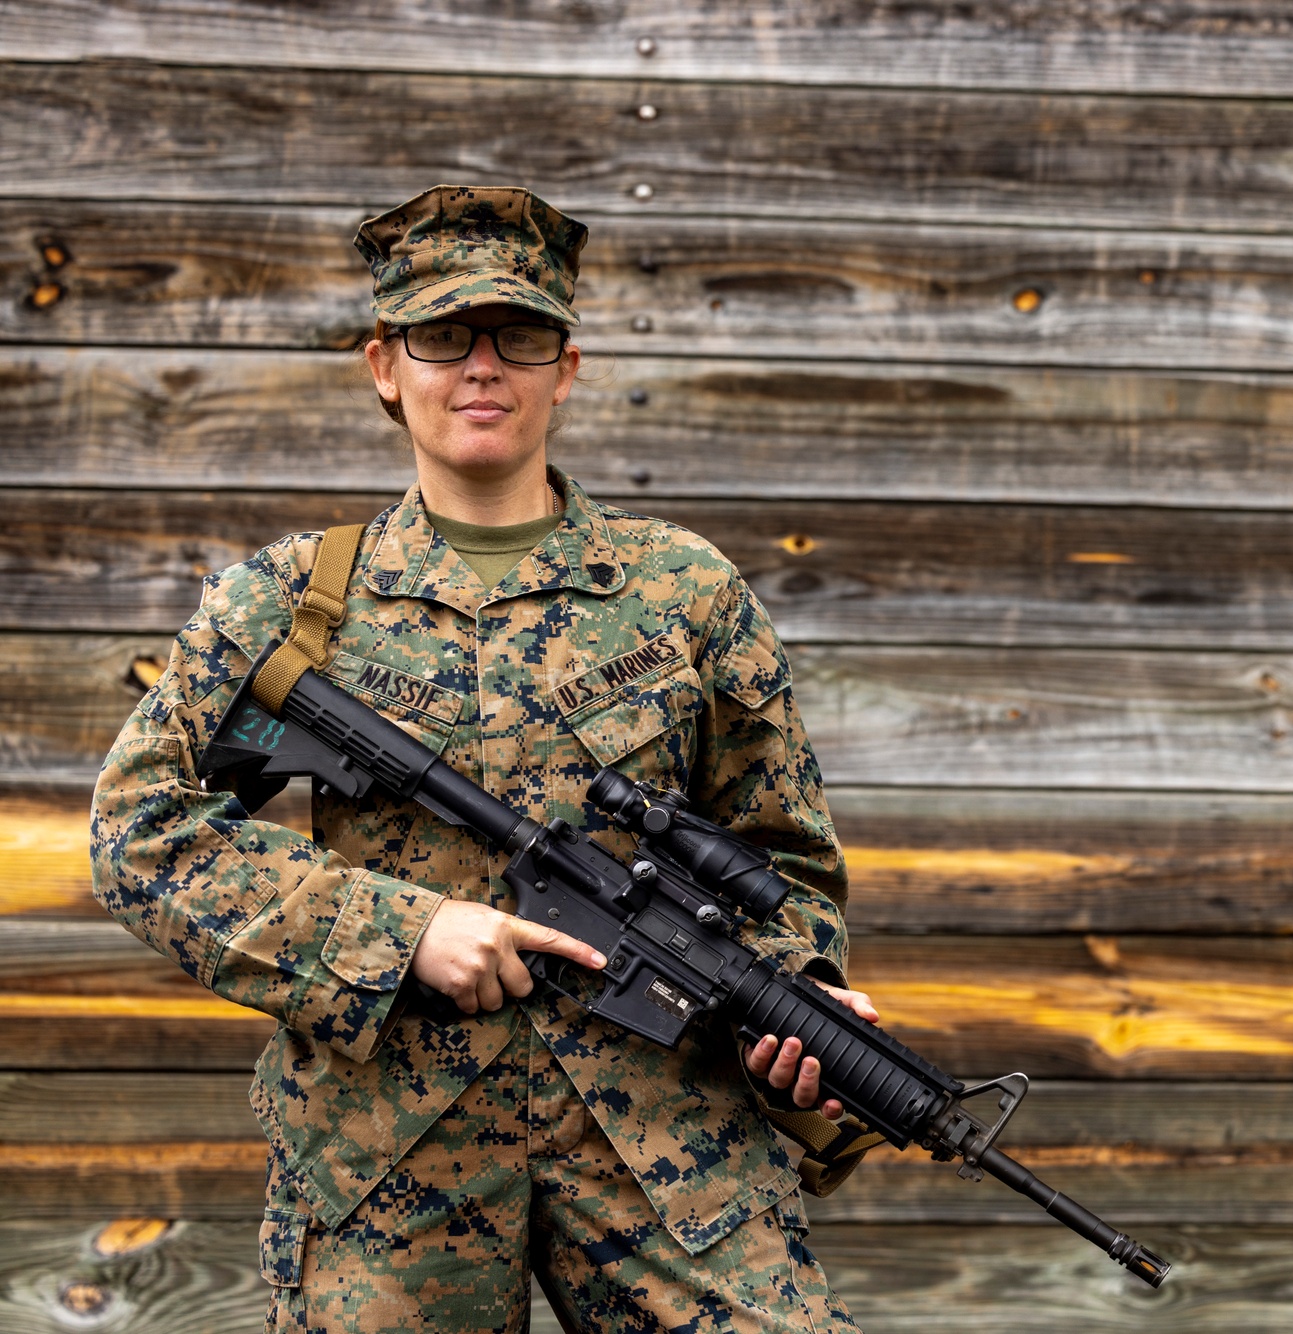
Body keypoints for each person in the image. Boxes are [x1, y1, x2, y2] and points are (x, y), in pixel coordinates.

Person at [90, 185, 871, 1332]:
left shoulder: (686, 591)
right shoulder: (292, 601)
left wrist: (792, 1002)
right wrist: (402, 932)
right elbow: (139, 835)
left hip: (671, 1147)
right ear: (383, 365)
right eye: (442, 336)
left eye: (522, 335)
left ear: (567, 367)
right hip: (389, 1163)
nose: (481, 366)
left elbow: (779, 855)